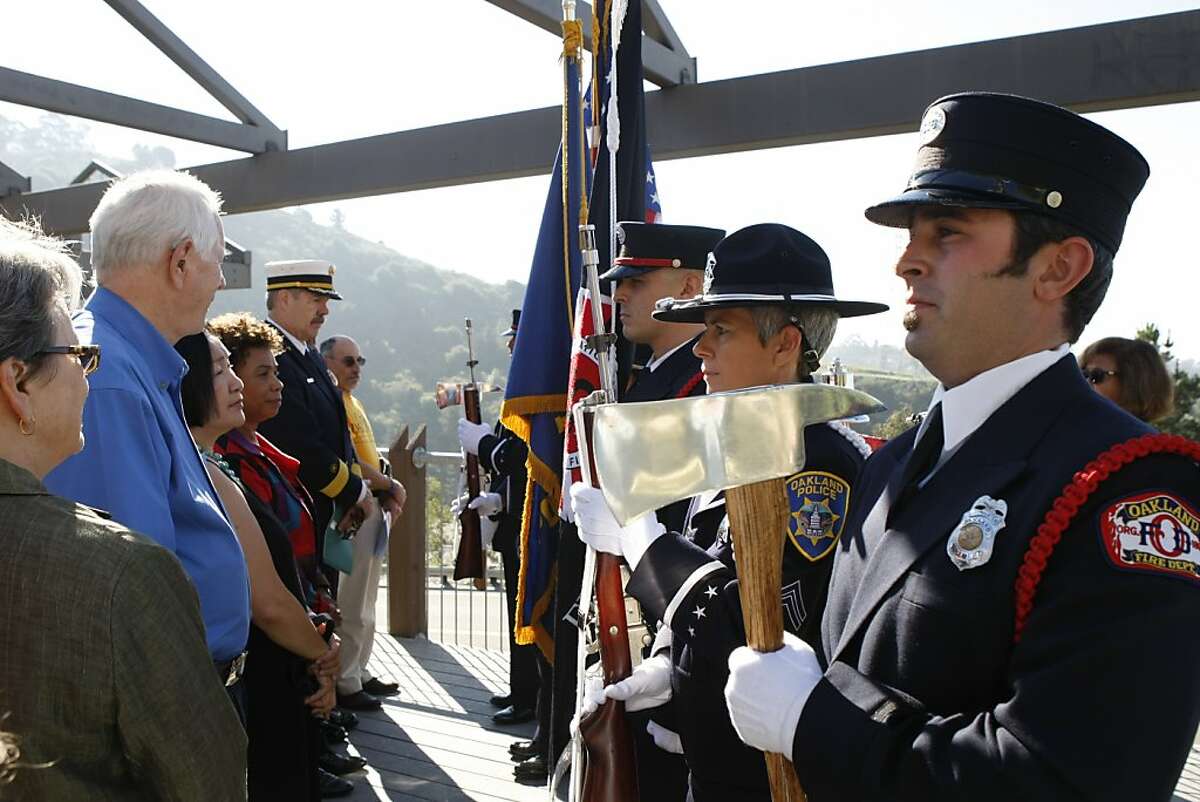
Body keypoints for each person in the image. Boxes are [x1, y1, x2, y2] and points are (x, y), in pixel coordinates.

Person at [719, 92, 1200, 802]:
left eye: (946, 232)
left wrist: (811, 720)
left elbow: (1071, 780)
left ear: (1058, 268)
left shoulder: (1128, 491)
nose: (906, 262)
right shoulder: (891, 463)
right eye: (911, 233)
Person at [571, 223, 887, 801]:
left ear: (785, 345)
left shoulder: (817, 463)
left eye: (721, 329)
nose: (700, 347)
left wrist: (641, 539)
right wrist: (669, 668)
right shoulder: (741, 445)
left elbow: (762, 621)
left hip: (768, 775)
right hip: (716, 758)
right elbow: (718, 576)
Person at [0, 216, 246, 799]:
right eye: (78, 355)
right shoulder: (119, 574)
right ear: (18, 384)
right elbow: (201, 780)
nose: (88, 377)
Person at [43, 169, 252, 701]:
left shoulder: (129, 363)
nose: (221, 282)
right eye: (217, 262)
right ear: (180, 261)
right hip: (167, 693)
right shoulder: (108, 379)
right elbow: (126, 594)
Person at [177, 330, 356, 800]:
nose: (236, 383)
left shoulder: (217, 466)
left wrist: (318, 633)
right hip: (263, 675)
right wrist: (323, 657)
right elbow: (268, 599)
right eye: (221, 371)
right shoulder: (206, 471)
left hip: (281, 665)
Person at [454, 310, 548, 779]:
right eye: (513, 340)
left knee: (529, 608)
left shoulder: (535, 386)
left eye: (519, 339)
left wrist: (485, 445)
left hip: (530, 519)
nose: (514, 348)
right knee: (518, 608)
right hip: (515, 518)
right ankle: (521, 690)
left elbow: (527, 460)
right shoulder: (522, 384)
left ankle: (529, 697)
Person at [257, 260, 375, 599]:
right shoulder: (274, 358)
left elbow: (338, 435)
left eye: (326, 301)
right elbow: (300, 446)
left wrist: (353, 490)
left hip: (325, 519)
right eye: (315, 299)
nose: (325, 310)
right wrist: (357, 492)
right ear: (283, 300)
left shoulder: (308, 356)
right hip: (294, 521)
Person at [320, 334, 405, 710]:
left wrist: (384, 482)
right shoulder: (334, 402)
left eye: (359, 361)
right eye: (347, 361)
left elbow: (368, 455)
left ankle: (360, 668)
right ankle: (347, 679)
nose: (355, 368)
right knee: (352, 600)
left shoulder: (351, 402)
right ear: (327, 363)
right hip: (354, 506)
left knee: (369, 597)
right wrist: (388, 483)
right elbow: (351, 460)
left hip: (372, 503)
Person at [1079, 335, 1174, 422]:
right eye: (1083, 374)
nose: (1085, 382)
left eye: (1097, 376)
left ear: (1133, 384)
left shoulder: (1150, 440)